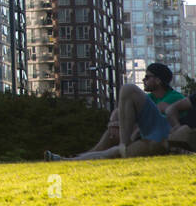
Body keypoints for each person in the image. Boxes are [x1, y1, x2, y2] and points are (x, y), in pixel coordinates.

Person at [45, 62, 183, 161]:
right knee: (112, 147)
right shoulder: (149, 98)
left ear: (158, 81)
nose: (144, 80)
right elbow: (121, 113)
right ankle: (74, 159)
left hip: (160, 137)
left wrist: (128, 129)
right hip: (145, 136)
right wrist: (114, 124)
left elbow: (167, 114)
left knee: (128, 89)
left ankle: (75, 158)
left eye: (147, 77)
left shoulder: (174, 97)